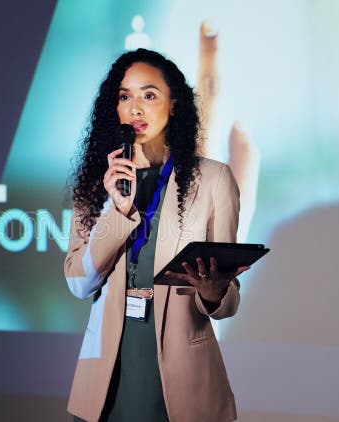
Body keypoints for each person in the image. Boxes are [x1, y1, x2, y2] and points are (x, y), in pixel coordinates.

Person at [65, 48, 250, 422]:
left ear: (174, 104)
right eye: (124, 97)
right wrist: (117, 211)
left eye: (149, 95)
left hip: (183, 381)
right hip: (106, 379)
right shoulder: (98, 184)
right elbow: (79, 283)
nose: (135, 108)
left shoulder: (213, 180)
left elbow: (229, 300)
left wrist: (213, 293)